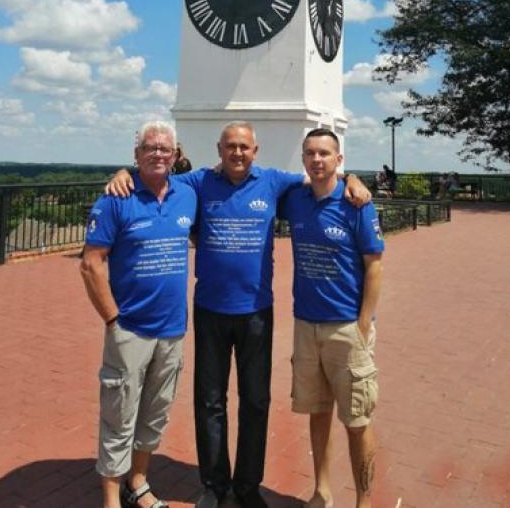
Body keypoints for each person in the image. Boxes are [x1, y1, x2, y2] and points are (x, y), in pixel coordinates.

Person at [107, 122, 371, 508]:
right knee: (209, 401)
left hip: (257, 312)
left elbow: (320, 174)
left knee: (255, 401)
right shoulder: (198, 182)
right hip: (211, 309)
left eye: (244, 147)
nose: (237, 153)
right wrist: (124, 173)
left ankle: (247, 486)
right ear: (219, 148)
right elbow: (157, 172)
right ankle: (214, 485)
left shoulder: (275, 182)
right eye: (230, 146)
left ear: (256, 150)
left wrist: (352, 178)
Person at [80, 121, 198, 508]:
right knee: (119, 413)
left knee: (155, 412)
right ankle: (111, 496)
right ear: (136, 155)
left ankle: (139, 480)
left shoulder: (188, 192)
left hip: (173, 329)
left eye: (165, 149)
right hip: (129, 327)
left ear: (176, 155)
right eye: (150, 148)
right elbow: (91, 263)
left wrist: (347, 178)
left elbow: (232, 173)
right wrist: (113, 320)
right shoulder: (117, 198)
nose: (158, 154)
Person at [279, 128, 384, 508]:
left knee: (357, 421)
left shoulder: (357, 204)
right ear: (304, 159)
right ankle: (322, 492)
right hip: (306, 324)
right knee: (318, 413)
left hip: (345, 326)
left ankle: (364, 501)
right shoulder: (295, 199)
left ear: (339, 159)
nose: (317, 159)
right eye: (310, 153)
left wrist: (363, 325)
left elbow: (374, 267)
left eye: (325, 153)